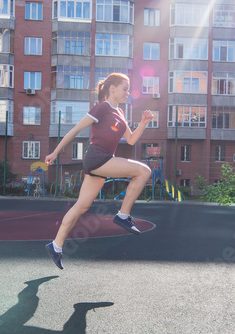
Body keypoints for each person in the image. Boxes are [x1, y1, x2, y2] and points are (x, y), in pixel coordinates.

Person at [44, 73, 154, 269]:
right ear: (112, 89)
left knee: (81, 206)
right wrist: (55, 152)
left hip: (100, 164)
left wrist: (144, 123)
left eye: (128, 90)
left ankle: (56, 246)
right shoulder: (103, 107)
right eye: (125, 89)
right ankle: (123, 215)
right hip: (98, 158)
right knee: (144, 171)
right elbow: (75, 130)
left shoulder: (119, 112)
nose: (128, 93)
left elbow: (130, 140)